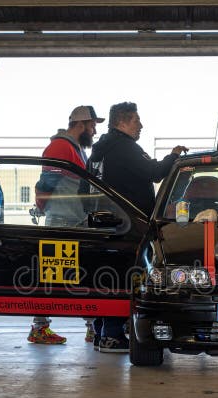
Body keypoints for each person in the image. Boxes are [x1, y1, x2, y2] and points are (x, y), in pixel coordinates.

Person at [88, 101, 188, 352]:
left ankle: (102, 333)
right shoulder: (124, 147)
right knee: (123, 277)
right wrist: (174, 155)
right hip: (126, 225)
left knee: (106, 276)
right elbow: (155, 171)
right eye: (136, 120)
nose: (141, 125)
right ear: (121, 121)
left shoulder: (100, 150)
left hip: (103, 223)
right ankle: (112, 335)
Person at [27, 105, 105, 345]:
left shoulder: (75, 148)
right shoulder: (60, 146)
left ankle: (92, 327)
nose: (94, 131)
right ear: (80, 124)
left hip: (74, 220)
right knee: (51, 277)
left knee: (83, 275)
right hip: (62, 222)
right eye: (92, 126)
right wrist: (42, 206)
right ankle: (39, 328)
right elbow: (46, 184)